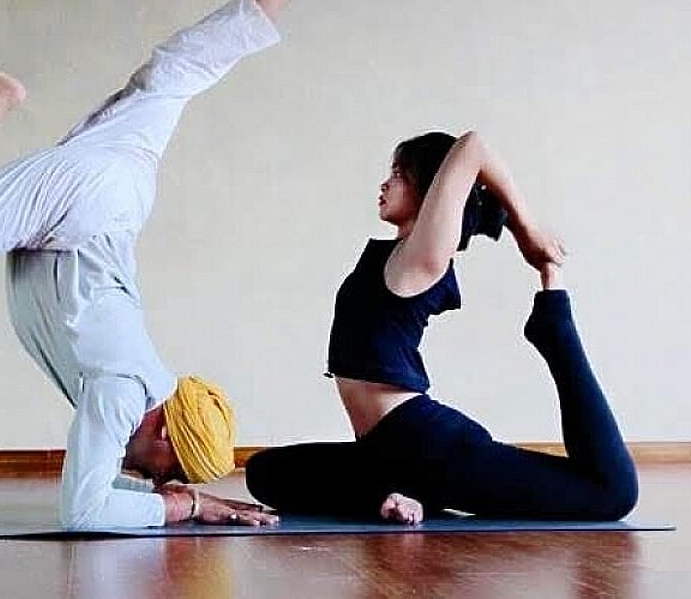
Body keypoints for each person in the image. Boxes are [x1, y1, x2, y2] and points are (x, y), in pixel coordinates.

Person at [0, 0, 368, 529]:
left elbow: (103, 481)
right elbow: (85, 511)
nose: (144, 475)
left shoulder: (132, 376)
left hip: (119, 189)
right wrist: (186, 503)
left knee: (180, 70)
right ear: (164, 431)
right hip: (83, 211)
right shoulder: (120, 392)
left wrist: (183, 498)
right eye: (161, 470)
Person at [245, 131, 639, 523]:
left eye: (399, 174)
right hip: (380, 450)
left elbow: (474, 146)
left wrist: (527, 231)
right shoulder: (393, 255)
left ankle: (556, 328)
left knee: (610, 493)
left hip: (432, 448)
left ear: (429, 189)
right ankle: (409, 495)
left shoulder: (422, 257)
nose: (385, 183)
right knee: (264, 473)